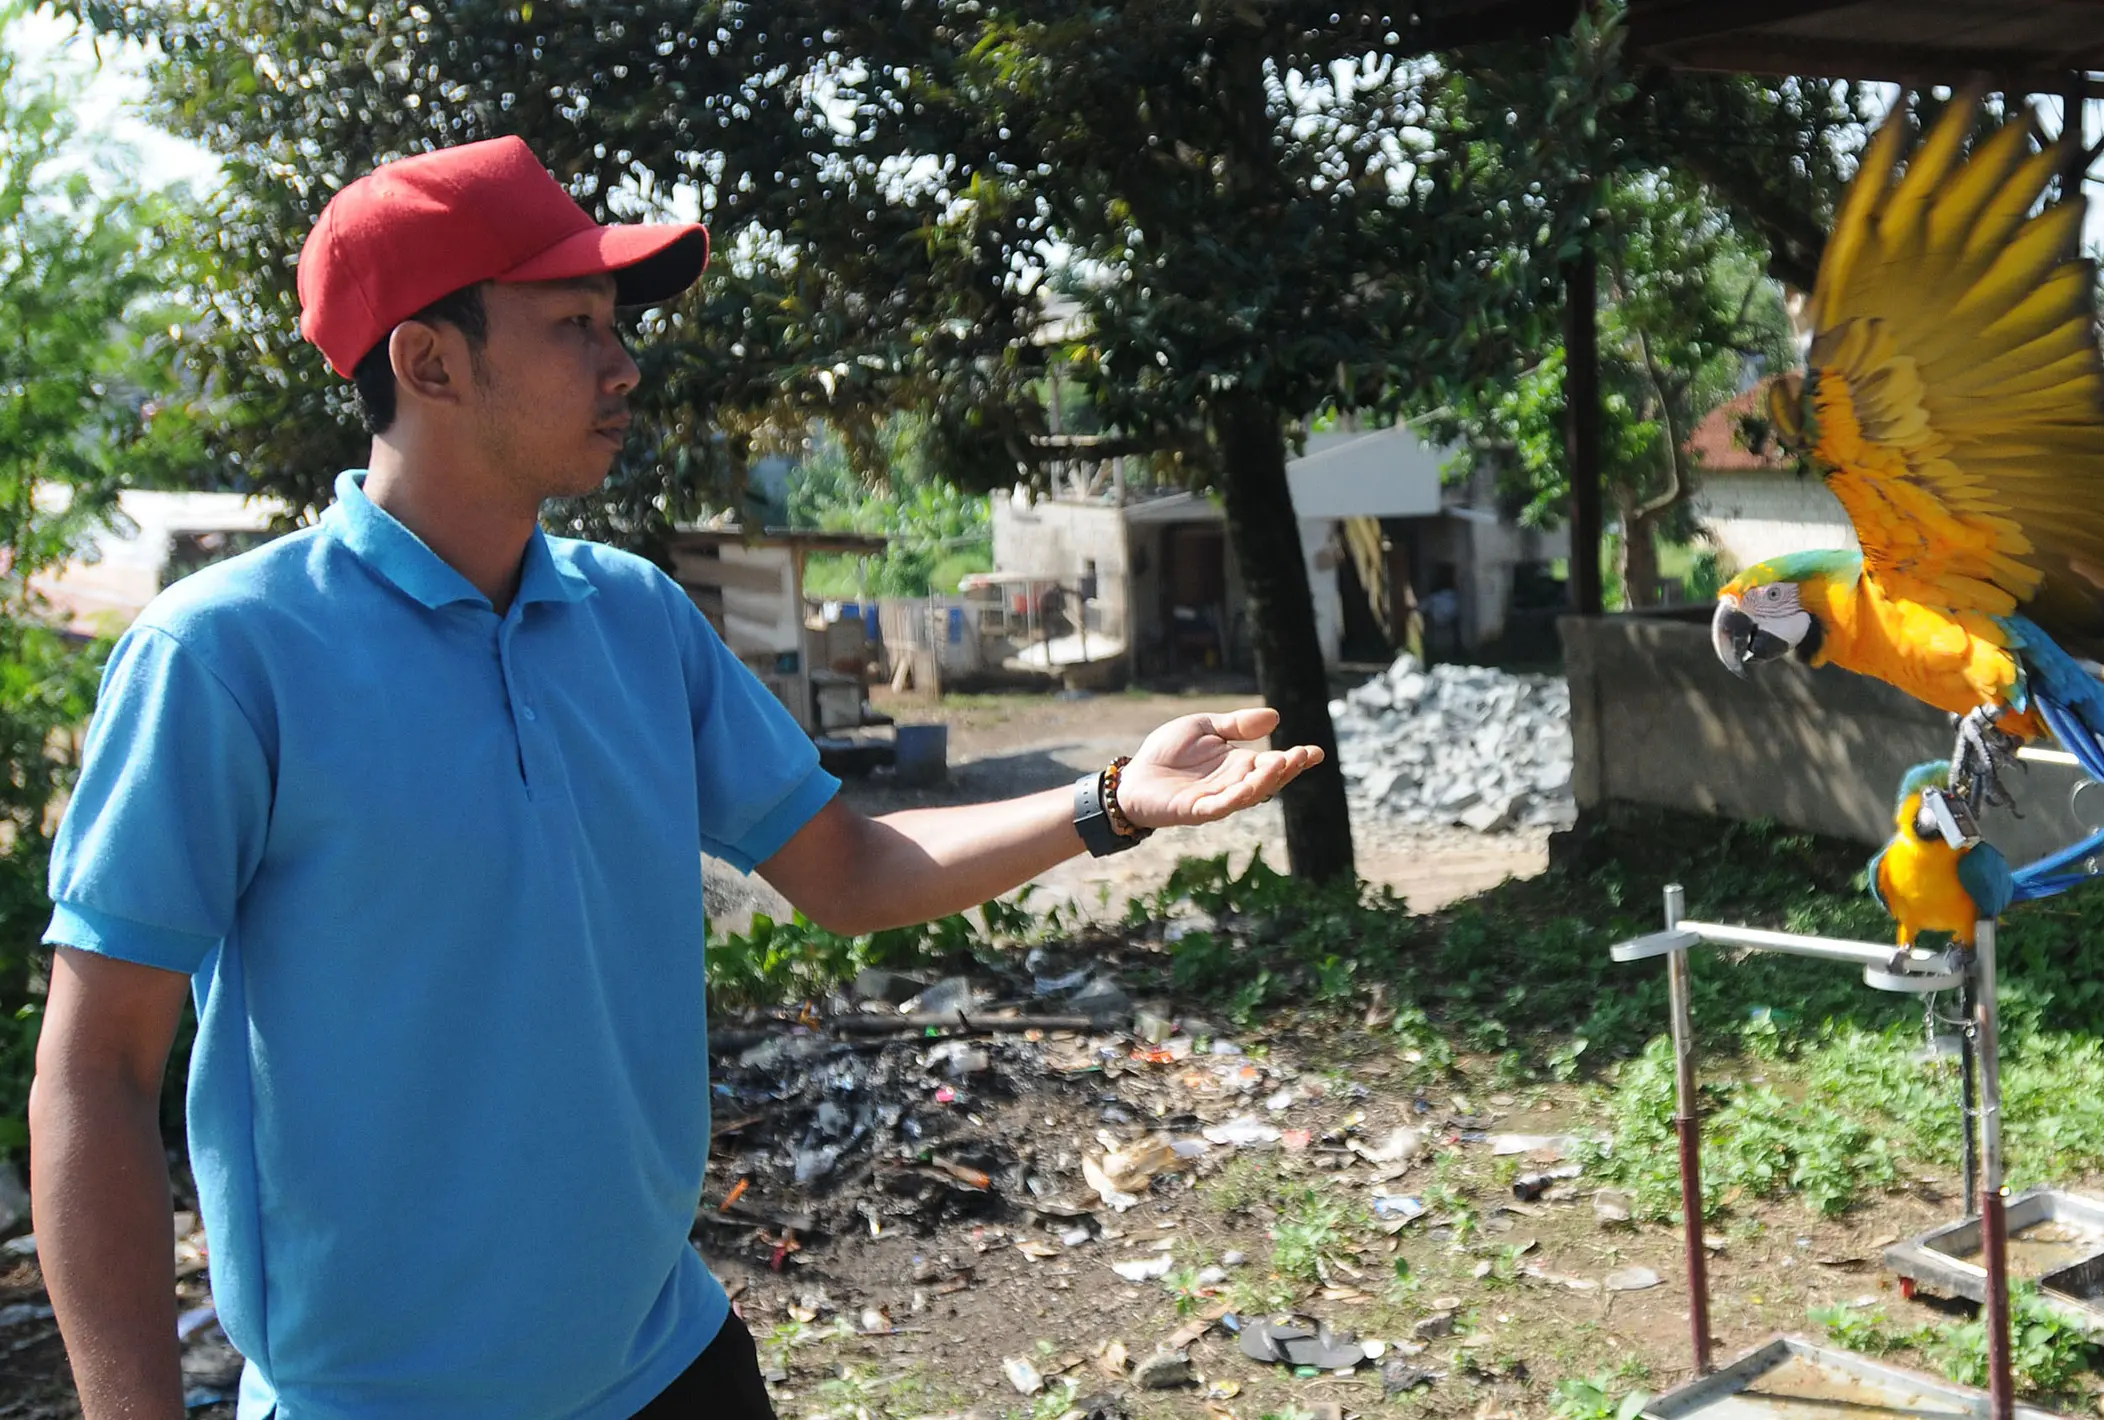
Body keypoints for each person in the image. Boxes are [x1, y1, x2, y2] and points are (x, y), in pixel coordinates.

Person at [28, 136, 1322, 1420]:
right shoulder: (226, 658)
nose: (622, 362)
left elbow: (849, 871)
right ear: (428, 360)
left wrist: (1109, 800)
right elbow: (95, 1072)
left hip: (668, 1365)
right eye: (575, 324)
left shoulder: (631, 620)